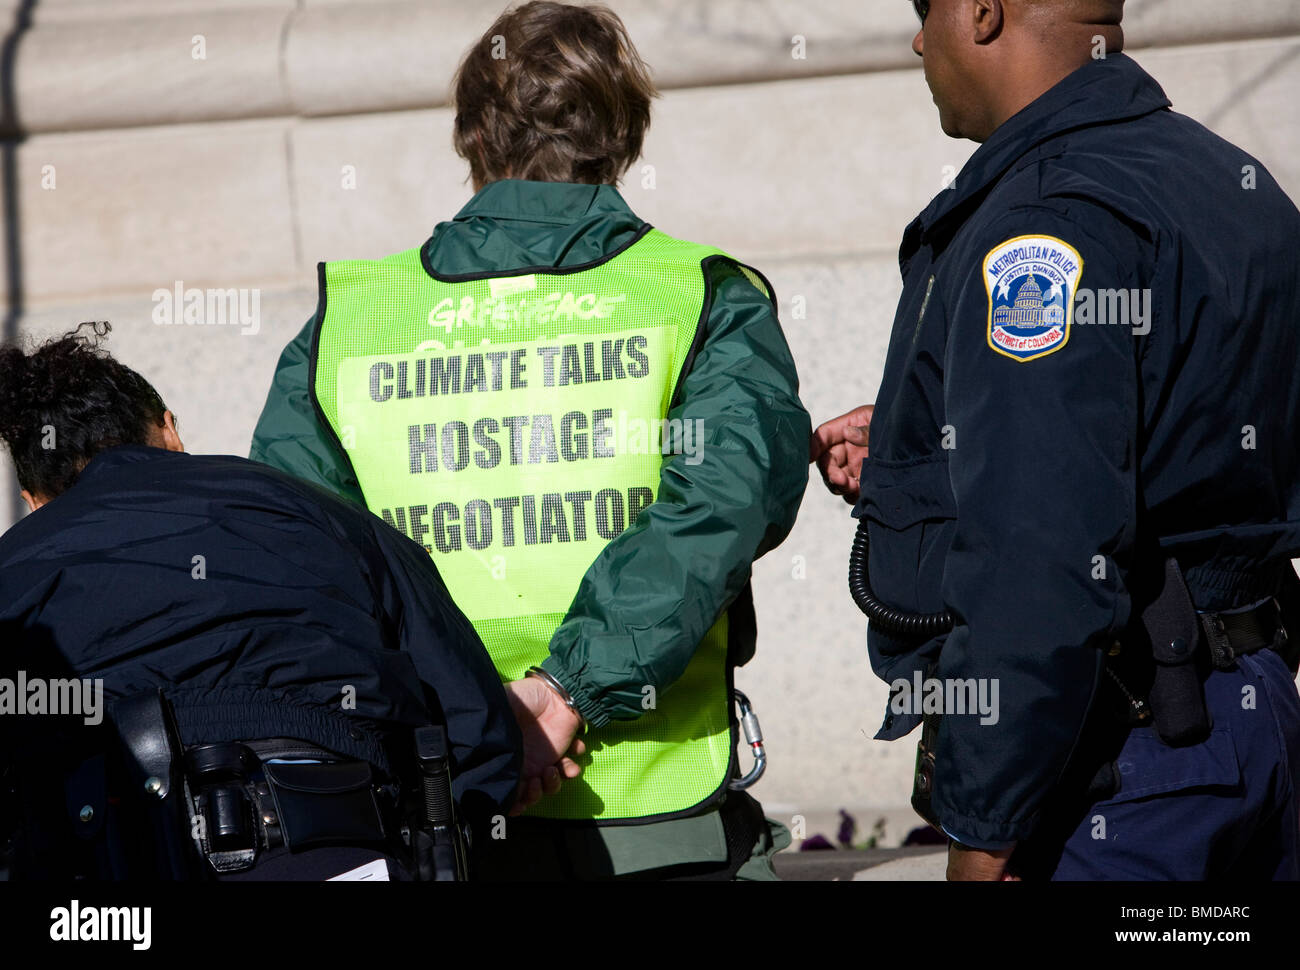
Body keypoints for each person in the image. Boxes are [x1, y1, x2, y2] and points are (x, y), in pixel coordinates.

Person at [249, 1, 809, 880]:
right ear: (623, 131)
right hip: (655, 816)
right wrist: (566, 692)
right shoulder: (700, 295)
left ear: (474, 137)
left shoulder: (347, 325)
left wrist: (477, 720)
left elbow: (297, 567)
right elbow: (726, 508)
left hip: (445, 812)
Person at [811, 0, 1300, 880]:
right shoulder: (1227, 180)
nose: (920, 40)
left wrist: (983, 833)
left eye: (927, 12)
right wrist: (941, 437)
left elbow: (1038, 556)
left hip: (1124, 771)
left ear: (983, 13)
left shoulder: (1043, 221)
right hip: (1256, 727)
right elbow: (1186, 424)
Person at [0, 322, 520, 880]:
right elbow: (471, 720)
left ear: (32, 501)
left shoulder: (13, 571)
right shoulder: (306, 506)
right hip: (335, 839)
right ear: (170, 430)